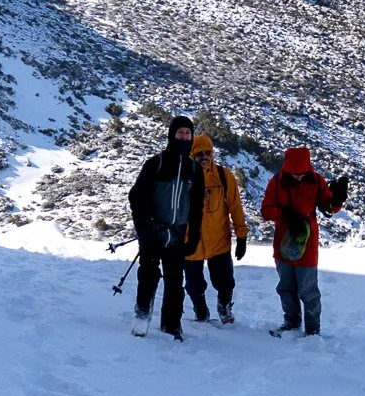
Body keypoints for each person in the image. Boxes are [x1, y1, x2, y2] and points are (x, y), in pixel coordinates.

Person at [127, 115, 206, 340]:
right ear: (172, 135)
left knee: (174, 282)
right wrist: (143, 228)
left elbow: (197, 206)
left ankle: (171, 325)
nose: (183, 137)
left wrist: (194, 236)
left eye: (187, 134)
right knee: (148, 276)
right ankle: (142, 319)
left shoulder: (194, 169)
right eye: (180, 133)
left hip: (178, 234)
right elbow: (136, 196)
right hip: (153, 231)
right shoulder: (156, 163)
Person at [259, 146, 349, 336]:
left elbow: (329, 208)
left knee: (308, 292)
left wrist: (337, 200)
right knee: (286, 288)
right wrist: (284, 214)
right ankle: (291, 323)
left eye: (301, 173)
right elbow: (266, 210)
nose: (298, 177)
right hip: (283, 245)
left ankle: (312, 331)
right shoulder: (276, 182)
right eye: (294, 173)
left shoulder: (316, 180)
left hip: (307, 248)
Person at [184, 134, 249, 323]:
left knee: (225, 283)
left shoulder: (223, 176)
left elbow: (235, 207)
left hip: (219, 240)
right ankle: (200, 310)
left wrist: (242, 236)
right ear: (191, 155)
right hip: (190, 242)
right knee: (193, 286)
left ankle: (224, 307)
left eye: (208, 153)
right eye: (199, 153)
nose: (204, 157)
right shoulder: (182, 178)